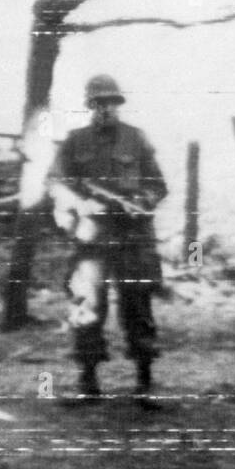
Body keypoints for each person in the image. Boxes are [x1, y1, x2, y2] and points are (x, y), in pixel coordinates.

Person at [49, 74, 168, 407]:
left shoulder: (137, 139)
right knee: (86, 306)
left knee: (138, 308)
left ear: (118, 105)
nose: (106, 109)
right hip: (93, 239)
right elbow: (56, 183)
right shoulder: (75, 142)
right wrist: (79, 203)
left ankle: (144, 382)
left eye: (111, 103)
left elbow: (158, 185)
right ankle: (88, 381)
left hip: (133, 237)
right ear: (90, 106)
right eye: (99, 103)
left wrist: (140, 203)